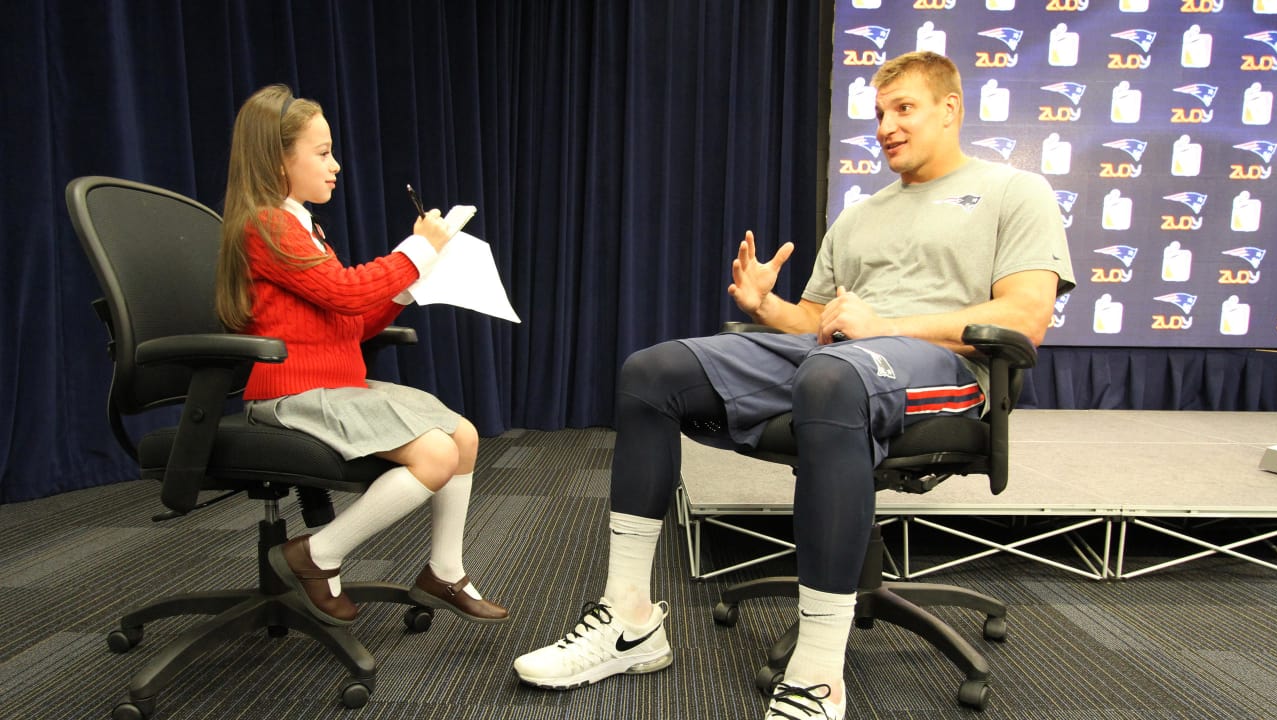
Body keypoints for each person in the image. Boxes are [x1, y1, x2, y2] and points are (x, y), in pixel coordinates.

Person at [513, 51, 1074, 719]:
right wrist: (768, 309)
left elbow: (1023, 317)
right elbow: (818, 322)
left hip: (946, 371)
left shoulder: (1016, 190)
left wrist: (882, 325)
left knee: (833, 377)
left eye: (904, 109)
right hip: (842, 360)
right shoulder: (862, 214)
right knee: (651, 372)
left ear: (950, 110)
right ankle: (629, 619)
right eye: (878, 114)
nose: (887, 126)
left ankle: (816, 675)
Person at [215, 84, 508, 628]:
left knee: (462, 437)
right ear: (277, 160)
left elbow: (347, 318)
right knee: (436, 457)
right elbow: (346, 292)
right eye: (322, 153)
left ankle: (444, 570)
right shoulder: (268, 226)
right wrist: (415, 252)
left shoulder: (302, 226)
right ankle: (316, 556)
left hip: (334, 383)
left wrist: (405, 286)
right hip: (291, 394)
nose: (336, 166)